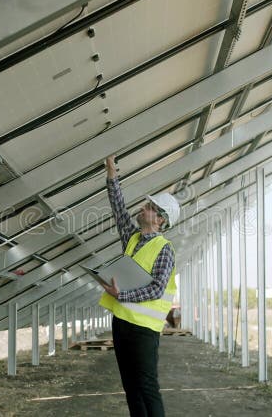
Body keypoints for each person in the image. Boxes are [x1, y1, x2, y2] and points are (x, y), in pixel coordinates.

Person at [98, 154, 180, 417]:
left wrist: (122, 295)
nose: (143, 208)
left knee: (146, 387)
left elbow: (156, 288)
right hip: (122, 323)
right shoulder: (133, 238)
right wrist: (112, 174)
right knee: (130, 387)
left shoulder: (164, 249)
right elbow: (118, 208)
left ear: (159, 220)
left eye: (149, 207)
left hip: (144, 330)